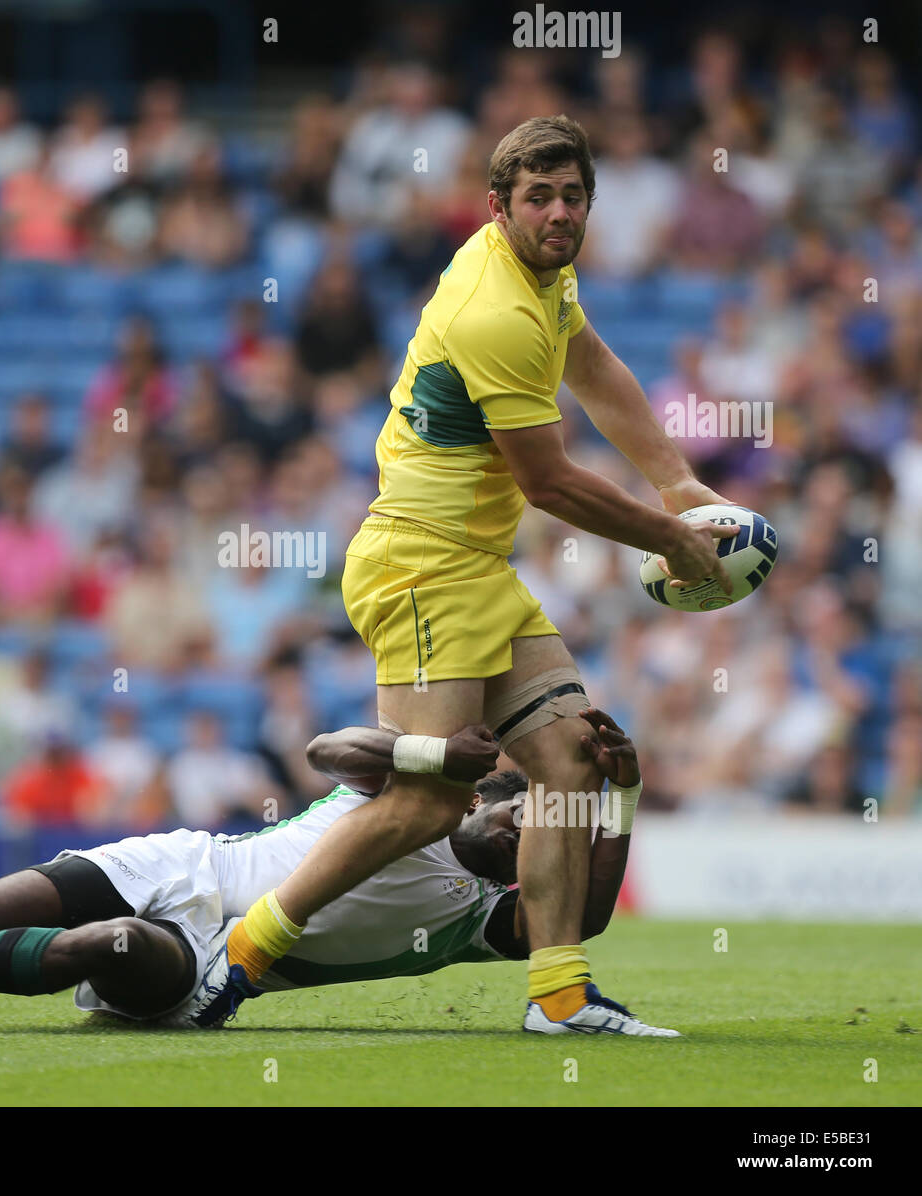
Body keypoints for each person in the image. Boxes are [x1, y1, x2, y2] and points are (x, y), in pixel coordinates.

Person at [196, 114, 736, 1035]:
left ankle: (560, 998)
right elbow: (550, 481)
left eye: (574, 196)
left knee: (568, 761)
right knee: (429, 802)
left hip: (472, 565)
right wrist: (674, 538)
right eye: (540, 198)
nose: (560, 212)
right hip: (419, 567)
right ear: (499, 207)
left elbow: (594, 364)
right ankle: (241, 953)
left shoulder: (542, 275)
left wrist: (676, 479)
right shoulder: (494, 310)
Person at [0, 711, 674, 1036]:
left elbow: (577, 916)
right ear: (496, 796)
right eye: (524, 808)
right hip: (181, 860)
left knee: (105, 948)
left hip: (211, 958)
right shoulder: (416, 796)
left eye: (546, 826)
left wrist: (611, 800)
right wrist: (439, 753)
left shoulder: (474, 918)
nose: (526, 830)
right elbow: (325, 748)